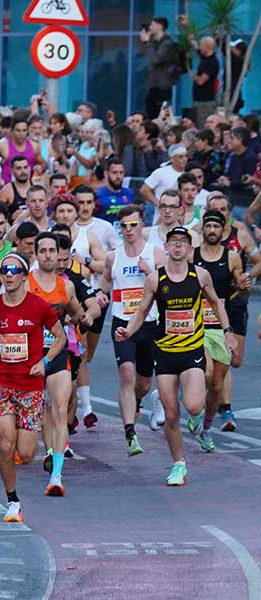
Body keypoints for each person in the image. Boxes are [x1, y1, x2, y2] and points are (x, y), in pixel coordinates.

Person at [117, 226, 238, 486]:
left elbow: (216, 303)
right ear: (168, 247)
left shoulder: (201, 275)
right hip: (165, 352)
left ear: (189, 248)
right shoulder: (155, 280)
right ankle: (178, 464)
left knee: (193, 405)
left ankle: (197, 420)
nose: (179, 246)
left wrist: (227, 331)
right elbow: (141, 311)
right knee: (171, 415)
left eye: (184, 242)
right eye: (174, 242)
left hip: (192, 350)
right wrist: (128, 331)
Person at [0, 253, 63, 522]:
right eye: (4, 270)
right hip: (2, 384)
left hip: (30, 387)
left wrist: (45, 361)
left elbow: (61, 338)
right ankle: (12, 500)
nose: (8, 274)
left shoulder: (38, 306)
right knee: (6, 444)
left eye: (14, 270)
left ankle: (22, 462)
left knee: (26, 454)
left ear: (23, 275)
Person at [27, 232, 94, 495]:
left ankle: (56, 474)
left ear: (58, 255)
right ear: (36, 254)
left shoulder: (65, 287)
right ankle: (49, 450)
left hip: (57, 354)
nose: (47, 255)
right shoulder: (25, 284)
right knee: (40, 408)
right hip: (31, 356)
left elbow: (76, 312)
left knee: (59, 408)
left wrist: (82, 319)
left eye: (51, 251)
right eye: (41, 250)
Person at [105, 205, 162, 455]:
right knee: (127, 374)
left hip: (149, 324)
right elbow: (106, 280)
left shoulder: (156, 254)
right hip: (122, 322)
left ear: (142, 225)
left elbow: (169, 287)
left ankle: (138, 402)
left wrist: (150, 273)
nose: (129, 230)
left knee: (143, 382)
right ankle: (130, 433)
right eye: (124, 226)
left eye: (133, 225)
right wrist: (98, 295)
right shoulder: (113, 256)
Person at [194, 211, 242, 449]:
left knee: (216, 385)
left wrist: (242, 286)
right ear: (202, 229)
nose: (211, 230)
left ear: (223, 231)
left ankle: (206, 427)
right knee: (205, 373)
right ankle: (193, 404)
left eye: (216, 226)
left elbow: (239, 290)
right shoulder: (192, 257)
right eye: (208, 226)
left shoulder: (231, 257)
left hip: (220, 327)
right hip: (196, 327)